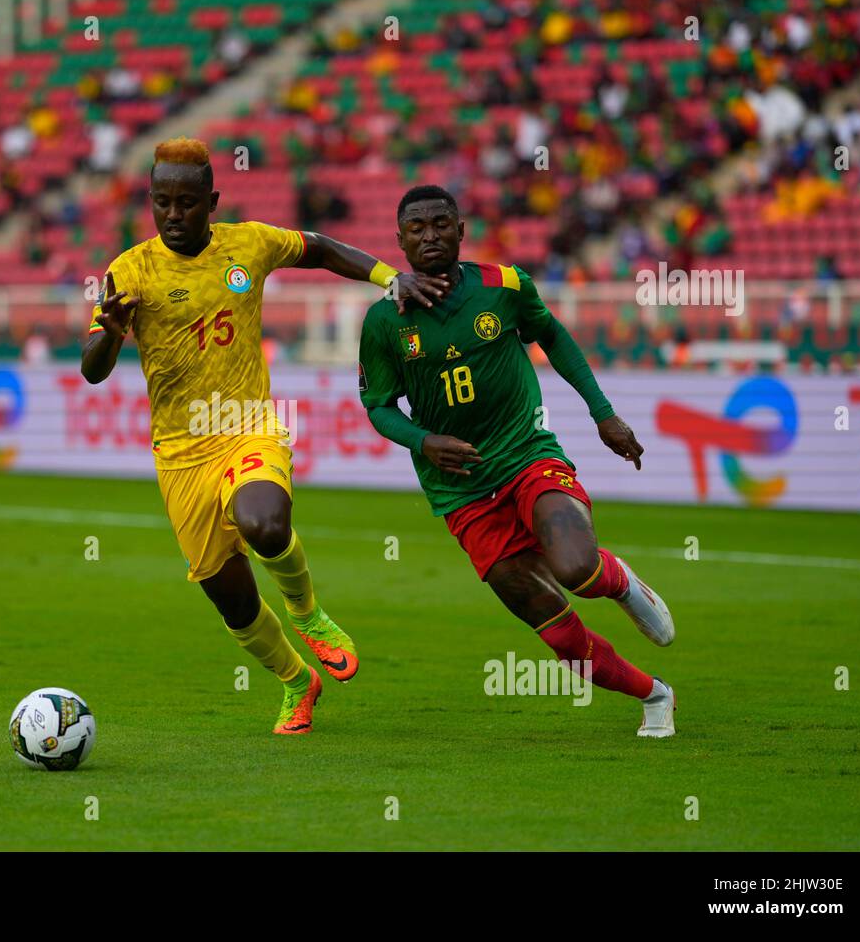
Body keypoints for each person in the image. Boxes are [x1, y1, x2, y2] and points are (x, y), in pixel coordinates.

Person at [81, 138, 447, 735]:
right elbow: (92, 370)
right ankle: (297, 681)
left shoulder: (248, 243)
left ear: (212, 201)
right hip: (178, 455)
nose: (174, 215)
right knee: (235, 603)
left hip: (246, 428)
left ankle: (309, 613)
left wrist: (388, 278)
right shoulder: (130, 270)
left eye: (187, 203)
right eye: (162, 203)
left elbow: (322, 249)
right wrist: (111, 332)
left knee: (266, 523)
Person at [358, 185, 677, 738]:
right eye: (417, 228)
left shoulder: (503, 286)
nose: (430, 235)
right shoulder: (383, 322)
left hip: (526, 455)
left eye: (441, 223)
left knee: (577, 567)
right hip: (459, 492)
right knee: (556, 635)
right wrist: (423, 440)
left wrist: (604, 414)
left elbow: (552, 335)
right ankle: (655, 696)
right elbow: (380, 408)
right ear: (399, 241)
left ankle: (622, 585)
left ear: (461, 231)